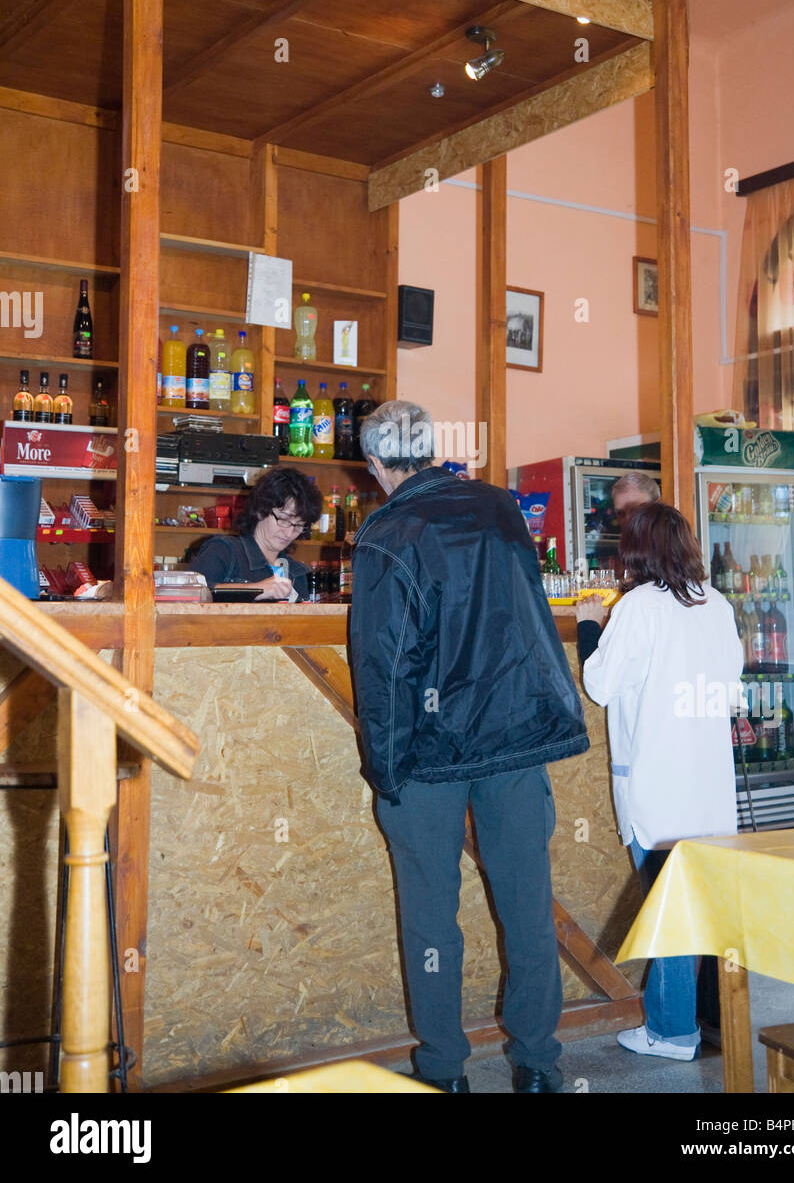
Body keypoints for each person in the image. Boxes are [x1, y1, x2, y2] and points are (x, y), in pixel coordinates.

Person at [350, 400, 589, 1094]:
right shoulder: (500, 508)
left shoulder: (387, 530)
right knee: (527, 906)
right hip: (513, 738)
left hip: (428, 752)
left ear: (373, 465)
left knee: (432, 918)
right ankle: (540, 1066)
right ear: (431, 448)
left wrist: (384, 767)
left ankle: (445, 1072)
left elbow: (384, 665)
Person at [575, 500, 742, 1062]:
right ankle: (703, 1022)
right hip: (709, 785)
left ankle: (672, 1032)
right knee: (697, 907)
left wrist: (588, 624)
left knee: (670, 909)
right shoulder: (716, 604)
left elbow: (600, 684)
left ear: (636, 551)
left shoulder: (639, 606)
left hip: (658, 783)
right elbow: (731, 681)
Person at [188, 465, 321, 600]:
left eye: (299, 525)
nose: (289, 532)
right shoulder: (224, 550)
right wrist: (256, 589)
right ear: (260, 510)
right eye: (283, 519)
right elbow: (192, 593)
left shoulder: (297, 572)